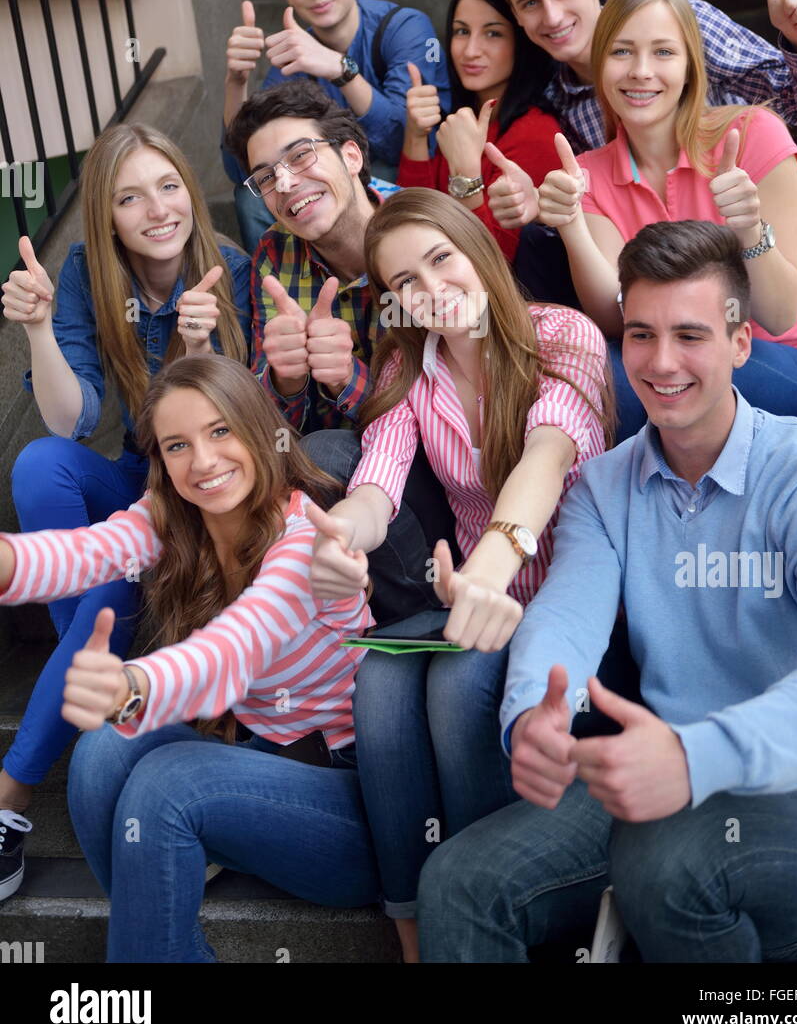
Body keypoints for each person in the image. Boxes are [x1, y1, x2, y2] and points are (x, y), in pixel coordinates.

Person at [417, 220, 797, 965]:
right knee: (457, 881)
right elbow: (565, 613)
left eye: (689, 335)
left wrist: (694, 757)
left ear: (740, 344)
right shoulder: (602, 484)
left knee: (667, 863)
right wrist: (533, 713)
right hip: (651, 777)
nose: (659, 364)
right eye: (639, 335)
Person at [307, 188, 614, 963]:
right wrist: (341, 536)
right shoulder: (413, 368)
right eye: (404, 282)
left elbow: (548, 454)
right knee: (377, 678)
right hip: (474, 593)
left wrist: (490, 563)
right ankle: (415, 925)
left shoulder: (561, 334)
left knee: (455, 685)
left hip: (574, 598)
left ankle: (494, 897)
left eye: (439, 258)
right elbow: (377, 482)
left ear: (475, 246)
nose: (430, 289)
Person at [0, 355, 382, 958]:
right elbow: (85, 552)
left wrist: (132, 685)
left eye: (220, 431)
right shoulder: (174, 522)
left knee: (165, 783)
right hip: (250, 775)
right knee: (102, 750)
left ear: (259, 429)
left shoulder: (305, 541)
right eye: (177, 445)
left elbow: (231, 652)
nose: (203, 462)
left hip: (348, 812)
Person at [0, 124, 251, 880]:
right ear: (106, 216)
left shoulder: (231, 268)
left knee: (111, 574)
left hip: (207, 501)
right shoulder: (85, 273)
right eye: (129, 196)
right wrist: (40, 329)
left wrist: (199, 353)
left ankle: (10, 796)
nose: (157, 209)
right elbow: (69, 419)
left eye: (170, 185)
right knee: (44, 466)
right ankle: (97, 667)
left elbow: (231, 443)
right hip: (139, 484)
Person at [526, 0, 797, 436]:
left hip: (777, 359)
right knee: (594, 370)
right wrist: (571, 227)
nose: (641, 71)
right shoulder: (586, 172)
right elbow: (615, 317)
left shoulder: (754, 134)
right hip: (667, 358)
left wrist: (748, 231)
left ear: (691, 67)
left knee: (608, 385)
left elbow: (781, 314)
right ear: (600, 66)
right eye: (622, 52)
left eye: (664, 52)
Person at [484, 0, 797, 272]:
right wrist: (538, 206)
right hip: (671, 289)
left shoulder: (682, 24)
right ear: (515, 14)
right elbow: (600, 219)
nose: (552, 16)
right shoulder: (555, 101)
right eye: (530, 2)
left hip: (783, 260)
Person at [225, 80, 459, 628]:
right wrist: (286, 379)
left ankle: (430, 609)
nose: (286, 184)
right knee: (306, 455)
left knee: (326, 452)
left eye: (301, 156)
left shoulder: (421, 228)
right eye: (266, 177)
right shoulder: (275, 254)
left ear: (351, 154)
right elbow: (279, 430)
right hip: (355, 490)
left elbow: (451, 402)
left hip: (448, 466)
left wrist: (348, 379)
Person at [221, 0, 450, 250]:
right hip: (334, 180)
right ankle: (284, 292)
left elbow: (403, 143)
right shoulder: (295, 56)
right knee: (253, 198)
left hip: (420, 180)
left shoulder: (405, 28)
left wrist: (339, 69)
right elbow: (245, 169)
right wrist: (236, 82)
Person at [398, 0, 561, 261]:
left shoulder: (536, 133)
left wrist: (466, 177)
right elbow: (412, 218)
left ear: (521, 42)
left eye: (493, 33)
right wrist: (416, 134)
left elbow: (494, 262)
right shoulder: (462, 121)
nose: (470, 51)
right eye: (462, 31)